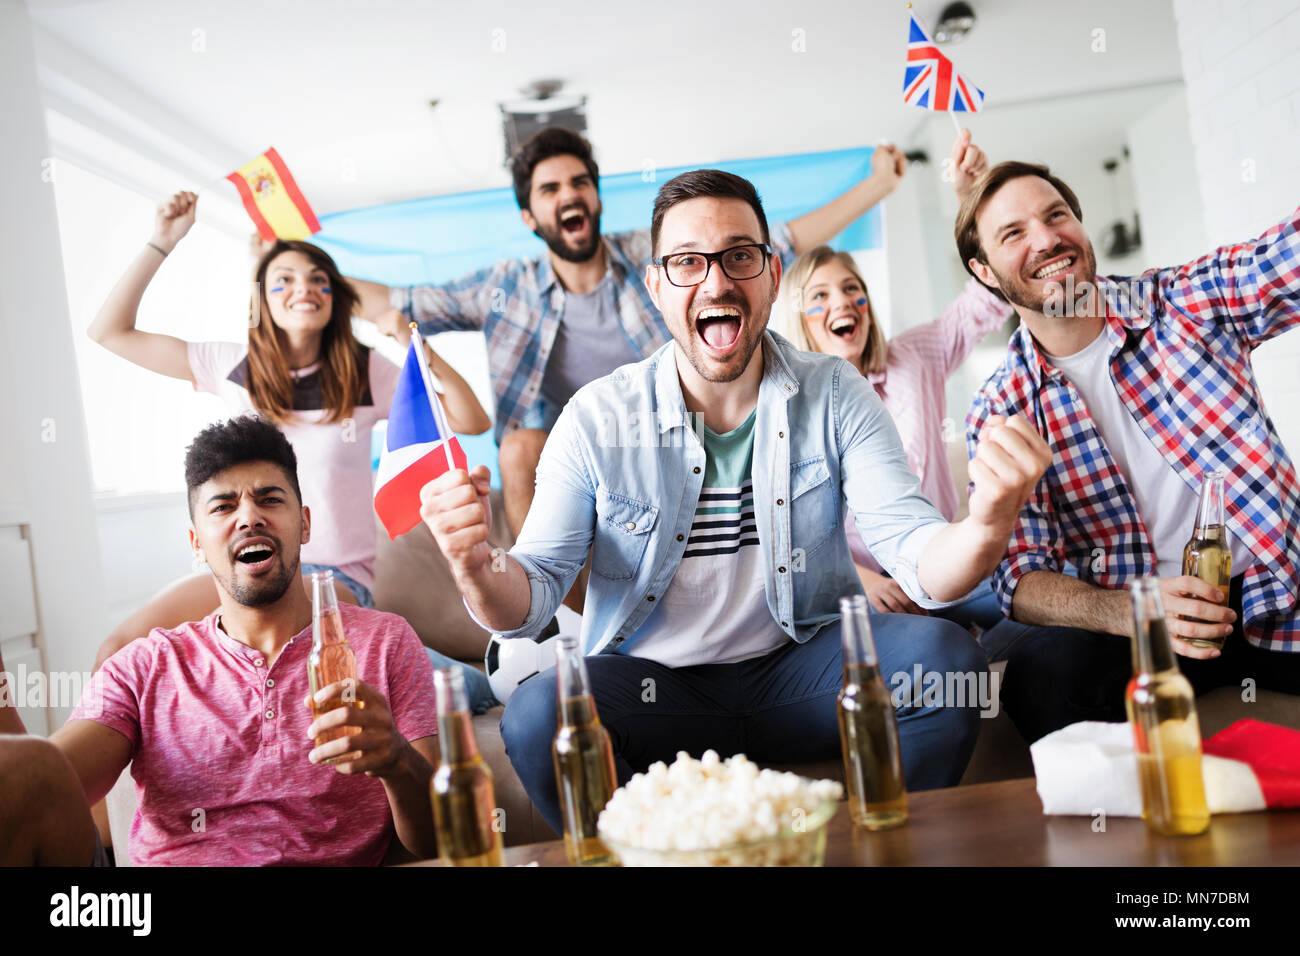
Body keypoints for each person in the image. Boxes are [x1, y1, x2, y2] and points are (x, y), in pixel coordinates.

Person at [418, 168, 1052, 833]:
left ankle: (888, 853)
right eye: (688, 263)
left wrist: (987, 521)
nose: (716, 282)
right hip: (654, 688)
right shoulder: (596, 417)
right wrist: (474, 565)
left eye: (739, 258)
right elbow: (531, 600)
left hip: (805, 670)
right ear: (656, 286)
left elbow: (917, 556)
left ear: (773, 276)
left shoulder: (833, 392)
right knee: (537, 716)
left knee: (946, 662)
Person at [352, 126, 915, 547]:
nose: (569, 194)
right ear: (529, 214)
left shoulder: (660, 259)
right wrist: (290, 268)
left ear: (596, 197)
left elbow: (784, 241)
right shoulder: (505, 288)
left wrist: (879, 186)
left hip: (673, 433)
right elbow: (391, 303)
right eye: (550, 188)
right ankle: (554, 633)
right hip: (579, 457)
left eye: (579, 182)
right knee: (519, 444)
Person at [87, 191, 495, 710]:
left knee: (317, 658)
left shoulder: (364, 371)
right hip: (240, 571)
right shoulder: (233, 365)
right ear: (264, 297)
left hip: (335, 579)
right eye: (283, 279)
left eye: (318, 280)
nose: (303, 288)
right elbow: (109, 332)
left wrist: (421, 349)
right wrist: (162, 241)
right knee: (115, 650)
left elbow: (471, 419)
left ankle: (479, 682)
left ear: (334, 299)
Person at [958, 161, 1300, 742]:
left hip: (1277, 591)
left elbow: (1282, 259)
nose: (1046, 239)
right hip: (1142, 625)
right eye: (1013, 233)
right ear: (985, 272)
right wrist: (1131, 610)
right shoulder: (1000, 410)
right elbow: (1020, 579)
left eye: (1057, 215)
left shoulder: (1184, 302)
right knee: (1041, 676)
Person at [1, 418, 440, 866]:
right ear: (196, 544)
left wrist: (397, 761)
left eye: (269, 499)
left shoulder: (384, 641)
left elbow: (436, 839)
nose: (249, 517)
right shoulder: (144, 667)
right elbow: (43, 782)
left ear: (305, 525)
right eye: (223, 506)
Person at [774, 129, 1016, 632]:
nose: (840, 303)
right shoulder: (787, 408)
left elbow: (987, 299)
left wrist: (971, 201)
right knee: (934, 658)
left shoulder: (914, 356)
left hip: (945, 563)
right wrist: (861, 580)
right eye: (819, 296)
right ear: (800, 317)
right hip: (862, 587)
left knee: (1032, 602)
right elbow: (788, 531)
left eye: (850, 289)